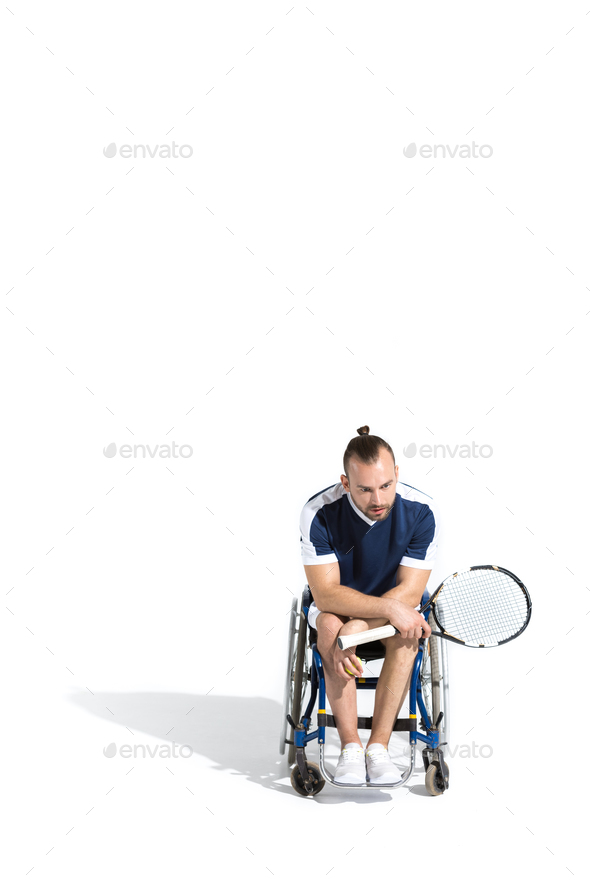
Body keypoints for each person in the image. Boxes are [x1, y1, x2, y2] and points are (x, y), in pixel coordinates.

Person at [299, 426, 440, 785]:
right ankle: (350, 747)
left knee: (408, 633)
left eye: (386, 485)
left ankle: (377, 748)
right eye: (364, 489)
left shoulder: (421, 512)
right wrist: (348, 623)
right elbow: (327, 594)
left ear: (397, 476)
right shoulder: (318, 512)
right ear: (346, 483)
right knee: (329, 626)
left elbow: (410, 591)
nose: (378, 498)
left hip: (391, 612)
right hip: (337, 609)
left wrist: (358, 627)